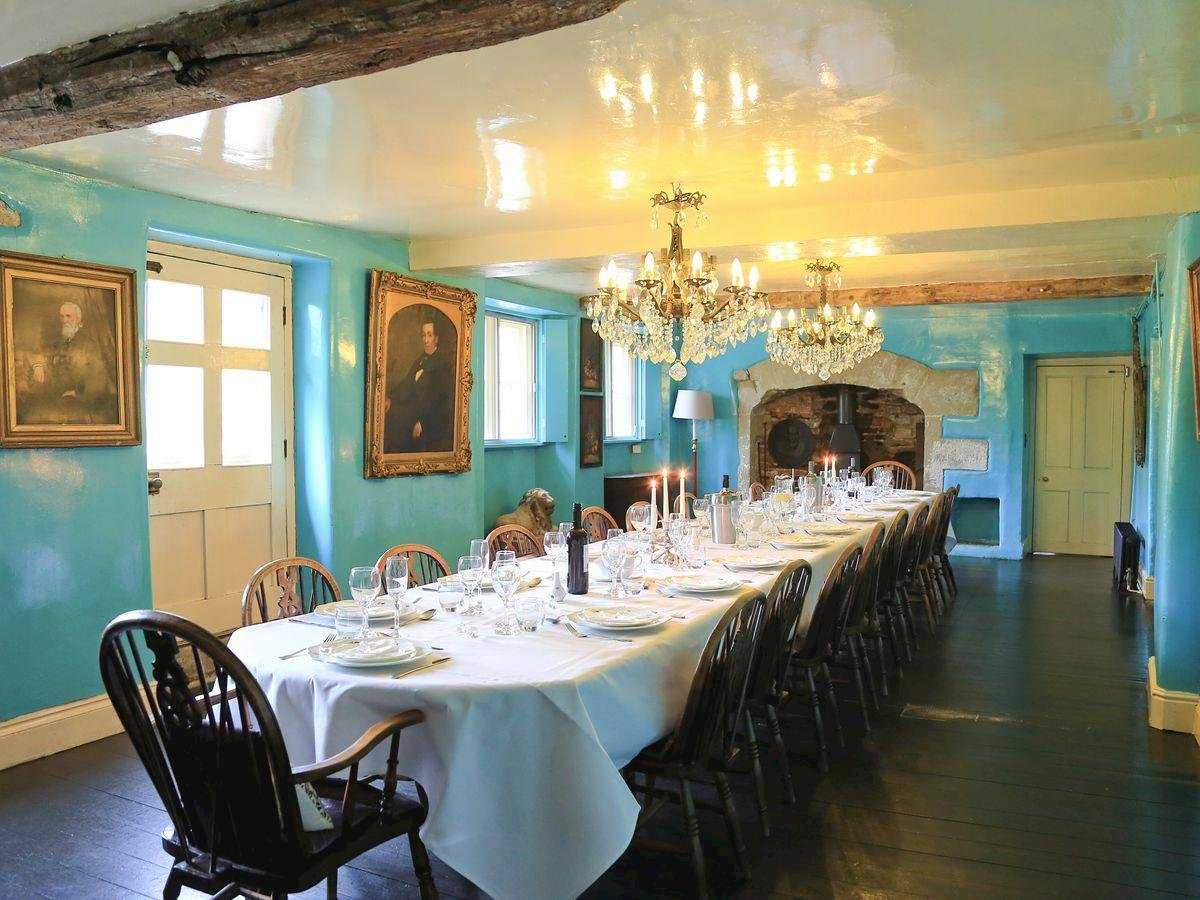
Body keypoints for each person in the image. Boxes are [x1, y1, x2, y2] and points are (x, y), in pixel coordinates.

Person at [18, 301, 117, 425]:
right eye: (62, 316)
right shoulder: (59, 342)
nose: (64, 320)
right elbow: (41, 354)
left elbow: (98, 378)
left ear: (78, 320)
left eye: (68, 316)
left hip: (77, 400)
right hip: (54, 395)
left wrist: (77, 394)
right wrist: (38, 366)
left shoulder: (89, 345)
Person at [384, 315, 453, 453]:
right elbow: (406, 384)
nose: (426, 340)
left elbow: (441, 402)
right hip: (412, 416)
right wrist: (390, 398)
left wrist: (423, 423)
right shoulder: (420, 360)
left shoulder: (443, 365)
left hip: (430, 425)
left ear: (436, 338)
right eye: (423, 335)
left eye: (429, 335)